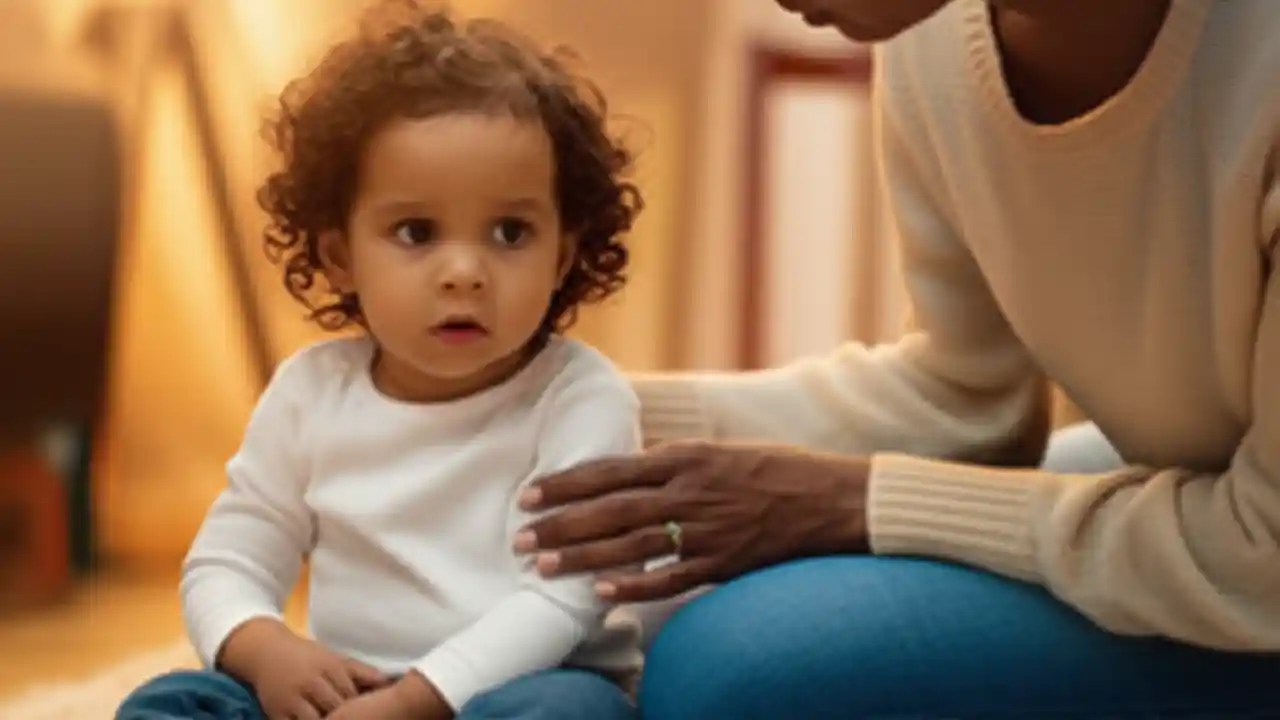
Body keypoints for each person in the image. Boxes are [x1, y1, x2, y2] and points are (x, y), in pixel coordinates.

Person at [514, 0, 1280, 717]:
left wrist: (852, 503)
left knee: (744, 670)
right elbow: (966, 404)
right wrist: (558, 398)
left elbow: (1262, 556)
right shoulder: (934, 35)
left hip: (1257, 565)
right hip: (1219, 497)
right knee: (630, 611)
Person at [116, 3, 645, 719]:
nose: (465, 271)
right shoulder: (311, 393)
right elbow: (226, 561)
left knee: (574, 713)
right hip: (353, 691)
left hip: (515, 690)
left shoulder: (581, 397)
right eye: (416, 231)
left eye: (510, 231)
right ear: (340, 257)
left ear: (564, 254)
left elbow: (565, 599)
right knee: (174, 700)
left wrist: (417, 702)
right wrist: (267, 647)